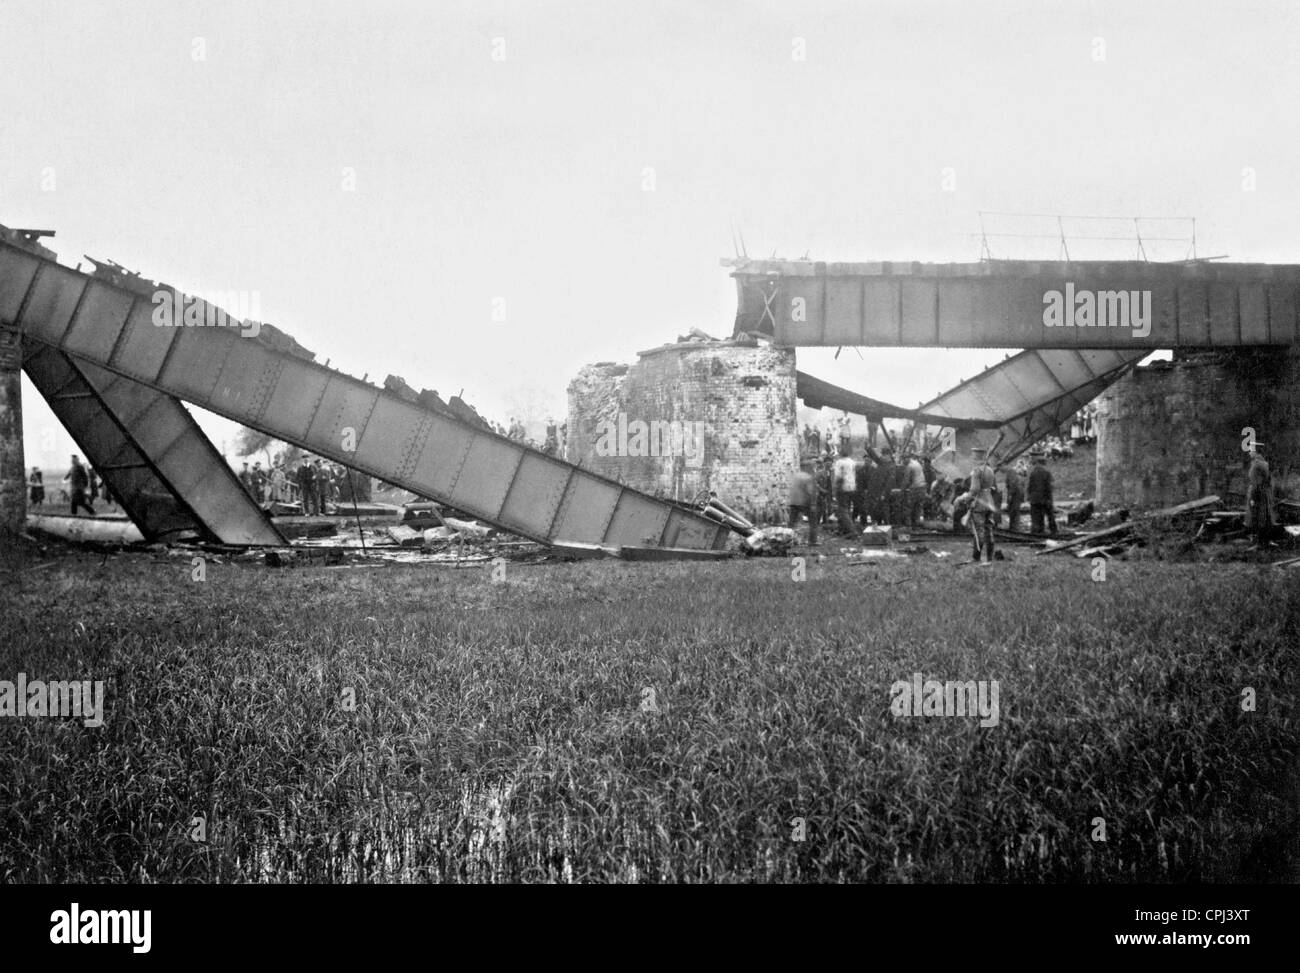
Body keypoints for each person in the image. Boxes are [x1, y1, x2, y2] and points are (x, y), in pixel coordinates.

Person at [959, 446, 998, 565]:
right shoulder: (990, 470)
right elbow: (993, 487)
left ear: (975, 457)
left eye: (972, 456)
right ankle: (990, 558)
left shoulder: (977, 470)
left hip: (979, 503)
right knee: (988, 529)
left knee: (978, 531)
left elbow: (974, 489)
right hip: (989, 501)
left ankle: (976, 557)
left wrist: (962, 497)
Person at [1246, 446, 1275, 547]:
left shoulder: (1257, 465)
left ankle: (1260, 541)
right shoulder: (1263, 464)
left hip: (1258, 494)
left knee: (1258, 516)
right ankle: (1264, 540)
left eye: (1251, 451)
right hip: (1264, 494)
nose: (1249, 452)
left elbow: (1256, 482)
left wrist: (1253, 496)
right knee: (1264, 516)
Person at [787, 461, 819, 546]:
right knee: (813, 522)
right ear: (807, 467)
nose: (812, 468)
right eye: (810, 466)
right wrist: (813, 504)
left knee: (792, 523)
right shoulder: (808, 478)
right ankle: (812, 541)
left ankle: (787, 539)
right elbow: (810, 492)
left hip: (793, 502)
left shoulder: (795, 476)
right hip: (804, 502)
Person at [1027, 451, 1057, 536]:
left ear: (1037, 462)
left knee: (1036, 517)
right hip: (1045, 498)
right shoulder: (1046, 472)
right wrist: (1049, 499)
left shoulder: (1033, 472)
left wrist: (1029, 496)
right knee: (1049, 515)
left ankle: (1037, 532)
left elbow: (1030, 486)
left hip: (1035, 499)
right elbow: (1049, 486)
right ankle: (1053, 531)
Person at [832, 450, 858, 536]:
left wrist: (835, 488)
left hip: (842, 488)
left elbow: (838, 476)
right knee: (846, 509)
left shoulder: (839, 462)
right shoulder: (852, 462)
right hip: (852, 488)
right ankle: (842, 529)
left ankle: (852, 531)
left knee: (843, 510)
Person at [903, 452, 927, 529]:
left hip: (915, 488)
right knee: (918, 507)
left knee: (908, 507)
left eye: (904, 459)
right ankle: (916, 525)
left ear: (907, 459)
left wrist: (901, 490)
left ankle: (908, 526)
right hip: (922, 487)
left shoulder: (909, 466)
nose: (903, 461)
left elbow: (906, 481)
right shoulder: (917, 463)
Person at [1003, 462, 1025, 532]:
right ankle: (1014, 527)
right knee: (1014, 510)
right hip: (1017, 494)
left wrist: (1010, 495)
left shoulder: (1011, 471)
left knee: (1013, 511)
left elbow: (1012, 484)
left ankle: (1014, 528)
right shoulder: (1013, 472)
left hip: (1015, 494)